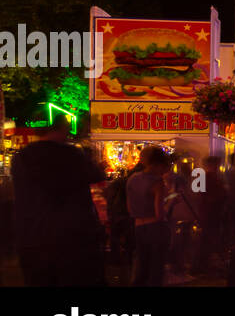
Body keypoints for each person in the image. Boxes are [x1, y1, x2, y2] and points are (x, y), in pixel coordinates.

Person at [11, 115, 106, 286]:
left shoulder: (21, 157)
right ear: (61, 129)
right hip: (71, 236)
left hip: (32, 236)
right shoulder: (72, 154)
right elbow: (96, 175)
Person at [126, 145, 171, 286]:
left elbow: (129, 208)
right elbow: (159, 214)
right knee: (156, 269)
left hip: (138, 227)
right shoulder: (157, 183)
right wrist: (171, 202)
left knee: (142, 266)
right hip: (156, 228)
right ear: (158, 165)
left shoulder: (132, 179)